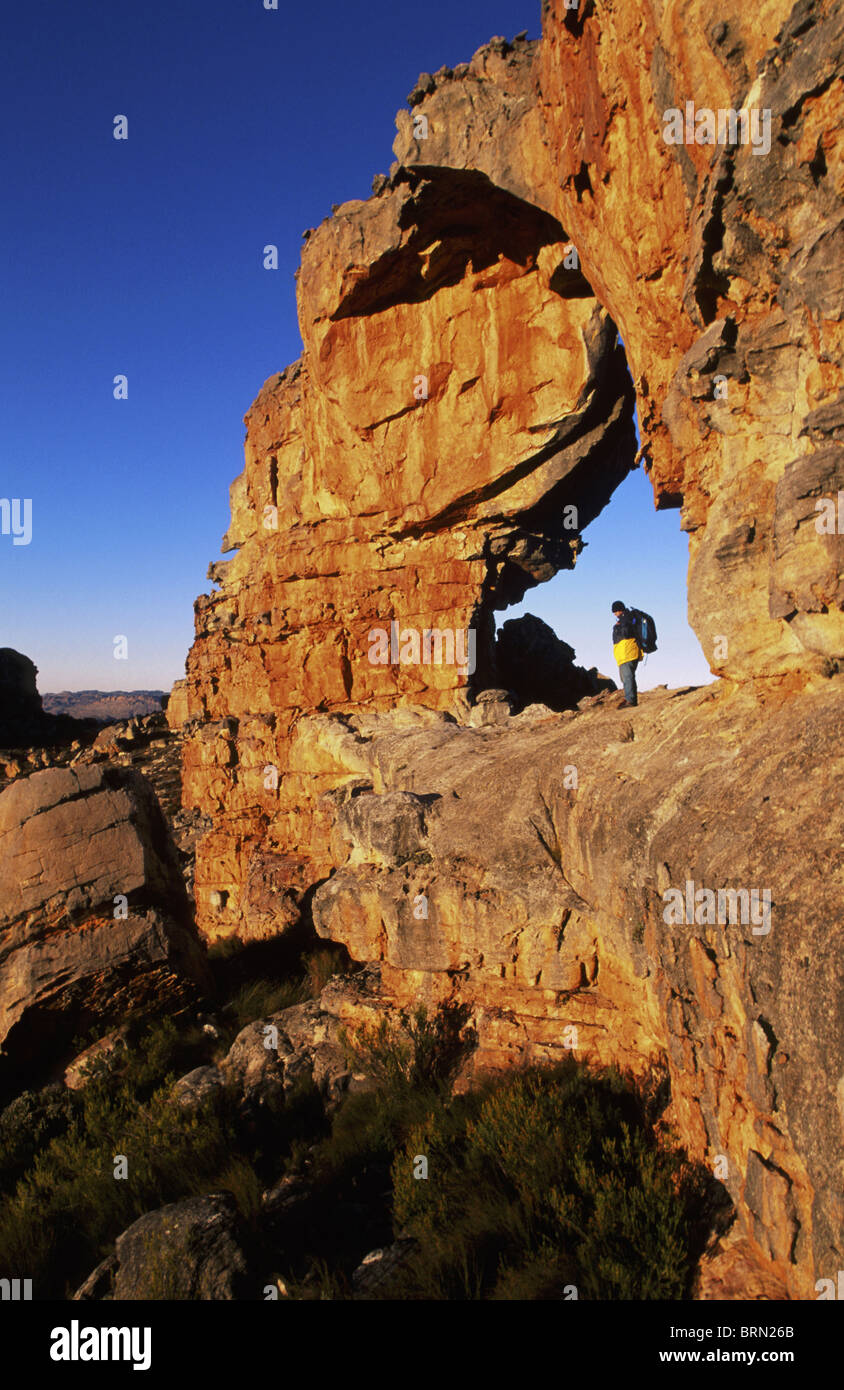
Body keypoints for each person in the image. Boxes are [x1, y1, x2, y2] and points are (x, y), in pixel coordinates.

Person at [611, 601, 641, 706]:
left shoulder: (627, 619)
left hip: (628, 653)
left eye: (615, 612)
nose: (615, 614)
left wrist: (619, 626)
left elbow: (627, 633)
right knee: (625, 677)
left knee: (628, 677)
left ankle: (631, 700)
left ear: (620, 610)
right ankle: (629, 697)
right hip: (624, 654)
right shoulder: (625, 619)